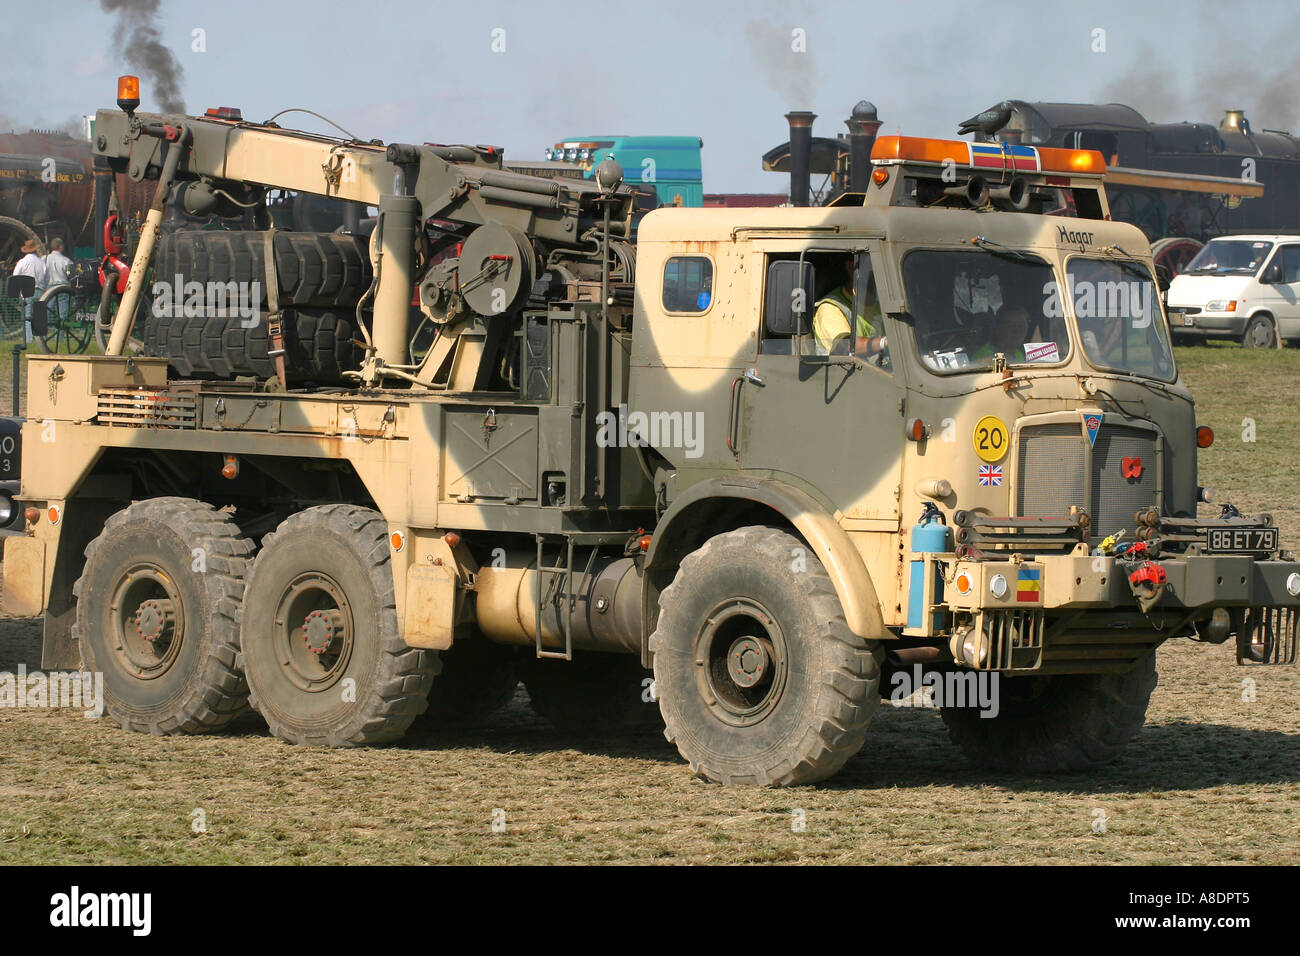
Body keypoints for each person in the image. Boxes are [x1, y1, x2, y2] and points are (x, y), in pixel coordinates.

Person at [812, 255, 887, 358]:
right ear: (851, 267)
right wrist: (884, 343)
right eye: (872, 263)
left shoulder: (882, 302)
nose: (878, 270)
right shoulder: (830, 308)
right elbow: (843, 346)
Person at [12, 239, 47, 344]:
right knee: (39, 317)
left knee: (27, 316)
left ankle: (29, 340)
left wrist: (18, 293)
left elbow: (15, 276)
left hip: (27, 291)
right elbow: (47, 277)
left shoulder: (22, 262)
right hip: (40, 291)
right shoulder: (42, 262)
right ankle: (41, 341)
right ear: (35, 250)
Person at [44, 237, 73, 326]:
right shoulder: (66, 260)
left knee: (46, 309)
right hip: (63, 286)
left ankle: (42, 330)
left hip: (50, 286)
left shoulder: (44, 259)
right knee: (62, 311)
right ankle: (61, 332)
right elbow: (70, 274)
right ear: (60, 247)